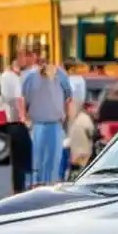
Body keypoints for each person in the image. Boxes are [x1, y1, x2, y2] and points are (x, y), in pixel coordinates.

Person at [21, 56, 73, 187]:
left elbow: (68, 98)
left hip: (50, 123)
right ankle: (41, 183)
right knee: (42, 157)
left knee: (48, 158)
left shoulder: (59, 75)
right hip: (41, 123)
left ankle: (46, 183)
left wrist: (66, 116)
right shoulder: (32, 77)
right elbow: (23, 99)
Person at [0, 51, 33, 192]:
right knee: (22, 159)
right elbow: (18, 99)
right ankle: (21, 188)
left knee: (16, 161)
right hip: (17, 123)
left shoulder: (6, 75)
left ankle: (18, 188)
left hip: (11, 122)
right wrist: (24, 119)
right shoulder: (12, 77)